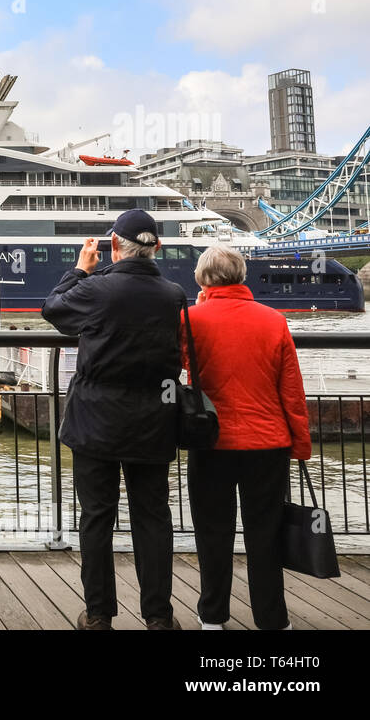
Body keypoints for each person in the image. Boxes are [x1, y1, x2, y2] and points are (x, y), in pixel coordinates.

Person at [41, 209, 184, 630]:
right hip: (155, 420)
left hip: (96, 422)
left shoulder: (99, 288)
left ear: (113, 247)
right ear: (156, 247)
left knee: (97, 517)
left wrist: (79, 271)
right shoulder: (174, 294)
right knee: (153, 517)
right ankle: (159, 616)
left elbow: (53, 311)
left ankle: (99, 614)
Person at [183, 245, 309, 631]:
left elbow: (185, 365)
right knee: (264, 533)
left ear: (202, 280)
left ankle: (212, 616)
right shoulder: (273, 320)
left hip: (211, 443)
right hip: (267, 443)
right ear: (241, 277)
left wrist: (200, 307)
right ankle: (273, 619)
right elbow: (291, 388)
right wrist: (300, 443)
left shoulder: (190, 319)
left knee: (212, 532)